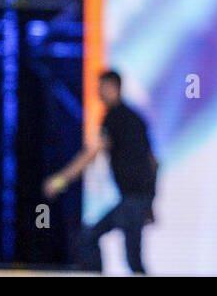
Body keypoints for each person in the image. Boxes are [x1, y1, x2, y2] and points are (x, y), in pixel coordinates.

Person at [44, 69, 158, 274]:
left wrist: (60, 180)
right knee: (128, 255)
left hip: (134, 199)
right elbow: (153, 162)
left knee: (92, 238)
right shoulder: (135, 118)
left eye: (100, 87)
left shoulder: (115, 117)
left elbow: (91, 153)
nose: (97, 92)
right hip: (137, 198)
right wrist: (150, 200)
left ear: (112, 87)